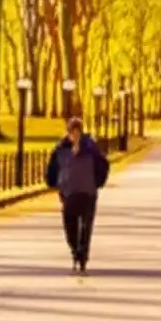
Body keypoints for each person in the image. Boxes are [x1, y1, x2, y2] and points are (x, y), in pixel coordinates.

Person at [45, 118, 109, 275]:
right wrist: (53, 182)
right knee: (70, 226)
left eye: (77, 131)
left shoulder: (90, 148)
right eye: (71, 131)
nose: (74, 134)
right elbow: (52, 169)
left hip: (87, 193)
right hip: (70, 194)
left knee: (86, 227)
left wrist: (97, 182)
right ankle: (76, 250)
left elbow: (103, 165)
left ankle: (83, 255)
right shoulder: (61, 149)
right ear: (68, 133)